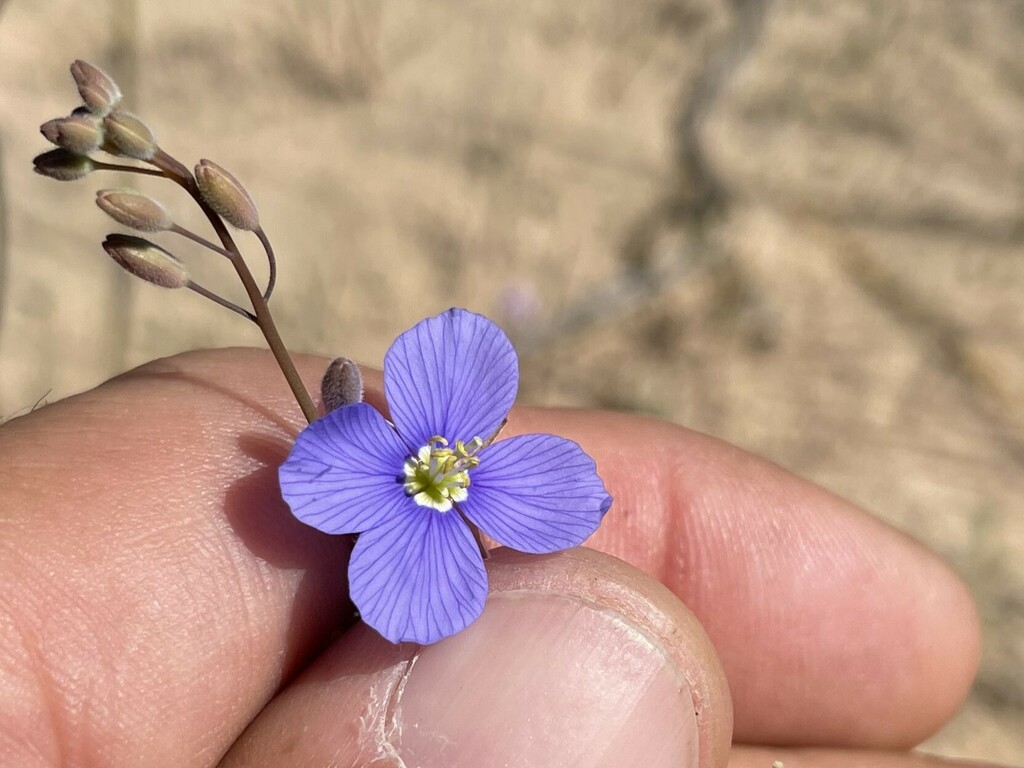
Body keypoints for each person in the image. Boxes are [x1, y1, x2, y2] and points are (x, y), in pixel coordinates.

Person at [0, 349, 1003, 768]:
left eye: (450, 465)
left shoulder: (468, 477)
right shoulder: (377, 476)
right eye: (440, 466)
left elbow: (563, 496)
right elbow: (318, 481)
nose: (443, 470)